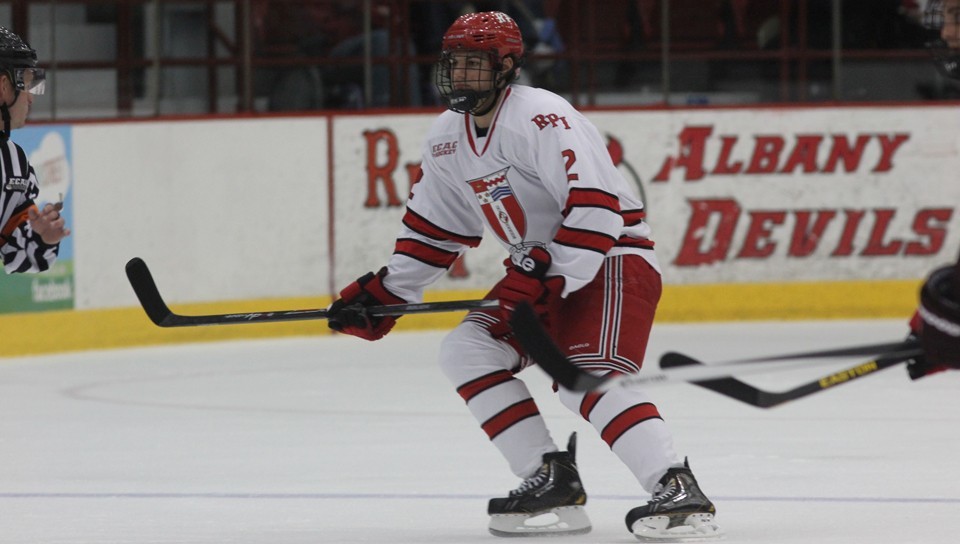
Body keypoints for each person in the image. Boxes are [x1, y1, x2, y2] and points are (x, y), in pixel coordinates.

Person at [326, 11, 721, 541]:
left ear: (507, 66)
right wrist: (387, 293)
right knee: (467, 350)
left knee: (582, 377)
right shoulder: (447, 137)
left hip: (610, 261)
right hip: (539, 272)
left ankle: (676, 486)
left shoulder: (541, 115)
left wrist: (550, 276)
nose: (459, 76)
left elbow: (597, 210)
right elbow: (434, 231)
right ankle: (549, 476)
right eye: (453, 65)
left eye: (473, 65)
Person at [0, 26, 69, 274]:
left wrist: (42, 238)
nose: (31, 98)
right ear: (4, 86)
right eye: (26, 83)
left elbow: (16, 253)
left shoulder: (14, 162)